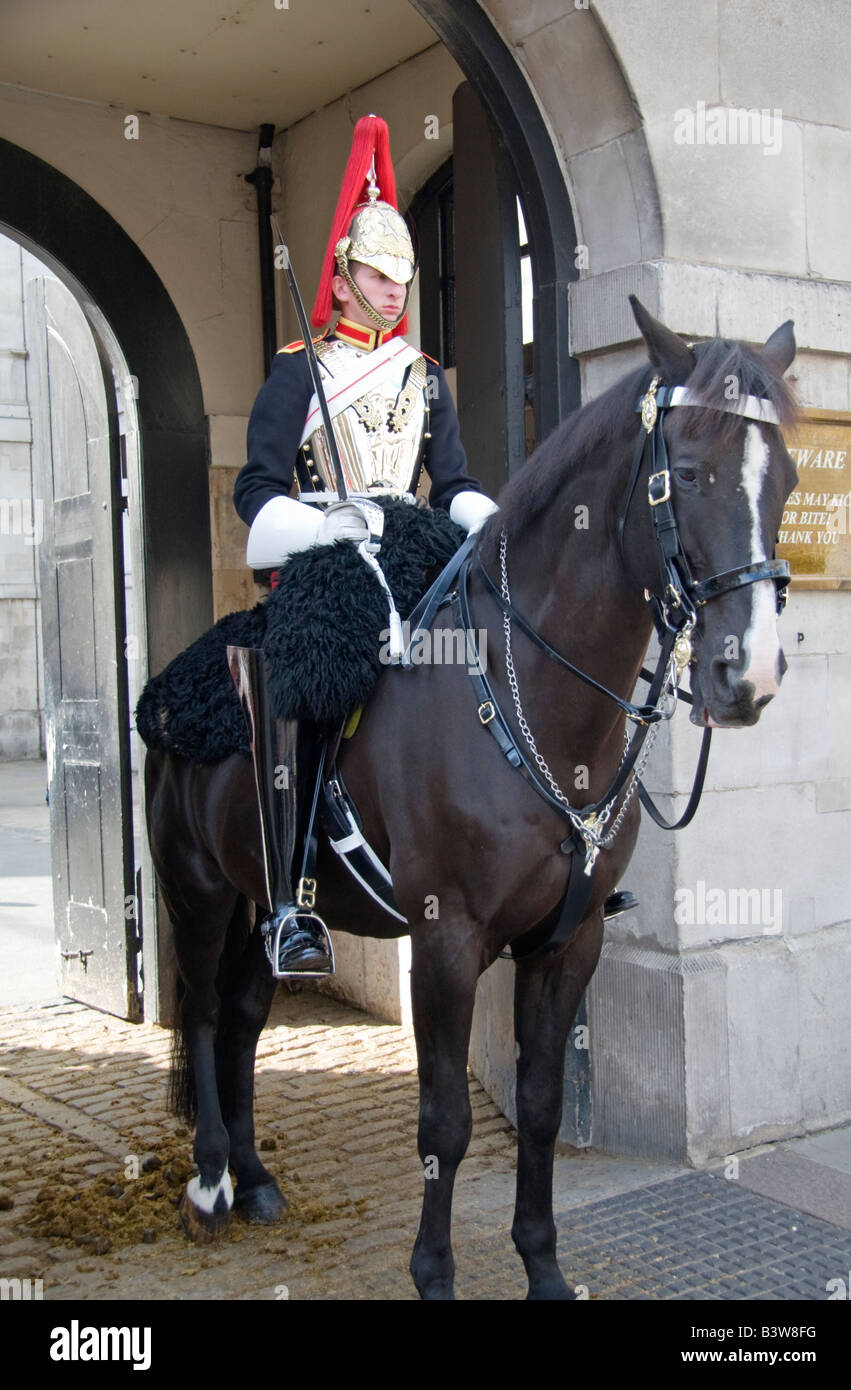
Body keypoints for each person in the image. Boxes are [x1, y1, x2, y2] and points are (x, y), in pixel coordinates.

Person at [232, 115, 496, 979]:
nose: (393, 290)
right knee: (316, 679)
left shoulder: (422, 377)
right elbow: (255, 493)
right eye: (376, 275)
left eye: (403, 277)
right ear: (341, 281)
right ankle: (292, 900)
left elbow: (448, 484)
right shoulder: (295, 368)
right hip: (327, 557)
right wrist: (324, 524)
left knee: (492, 650)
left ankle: (535, 851)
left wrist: (492, 515)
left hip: (412, 544)